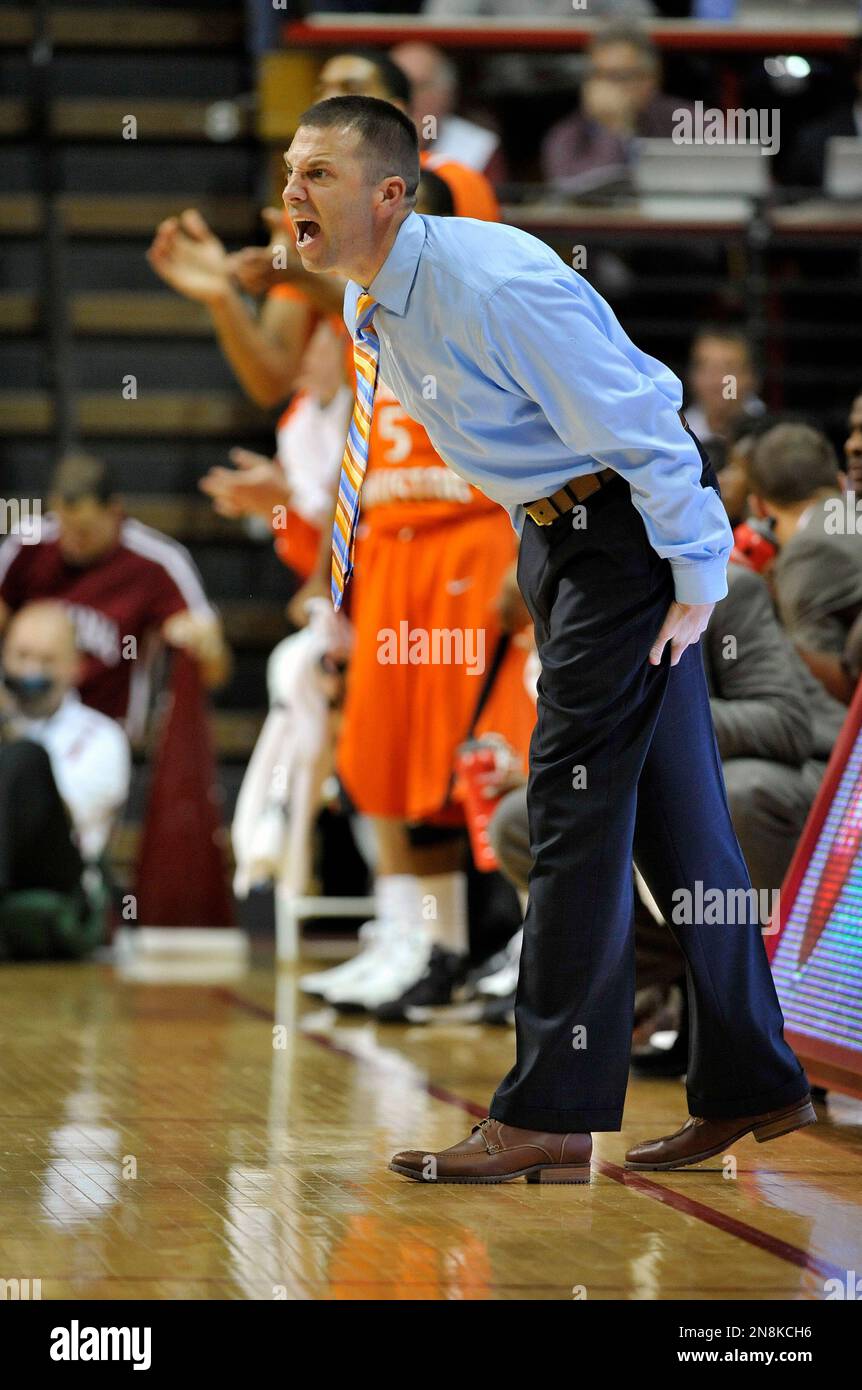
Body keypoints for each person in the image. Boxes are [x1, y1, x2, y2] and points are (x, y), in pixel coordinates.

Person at [283, 93, 813, 1183]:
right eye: (289, 169)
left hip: (626, 532)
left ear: (390, 193)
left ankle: (551, 1107)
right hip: (562, 542)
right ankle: (754, 1078)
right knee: (680, 827)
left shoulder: (497, 282)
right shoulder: (366, 300)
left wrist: (695, 578)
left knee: (570, 811)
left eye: (317, 175)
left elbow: (649, 432)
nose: (291, 191)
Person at [0, 454, 229, 739]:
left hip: (109, 736)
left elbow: (214, 668)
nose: (73, 541)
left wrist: (202, 641)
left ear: (115, 511)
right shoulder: (29, 542)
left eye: (85, 531)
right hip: (21, 727)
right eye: (65, 528)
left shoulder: (157, 563)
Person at [0, 602, 130, 905]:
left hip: (61, 879)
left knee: (25, 758)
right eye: (21, 656)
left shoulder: (103, 736)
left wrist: (8, 738)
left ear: (76, 667)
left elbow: (70, 816)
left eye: (47, 660)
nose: (31, 670)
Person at [746, 422, 862, 704]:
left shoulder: (808, 549)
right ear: (839, 482)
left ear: (759, 507)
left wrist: (758, 632)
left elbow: (845, 689)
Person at [540, 24, 692, 193]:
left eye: (620, 77)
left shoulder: (687, 121)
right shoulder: (566, 136)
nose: (607, 88)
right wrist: (614, 130)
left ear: (651, 78)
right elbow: (581, 198)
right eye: (598, 76)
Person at [683, 327, 764, 475]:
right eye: (705, 368)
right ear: (691, 377)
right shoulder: (675, 440)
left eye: (729, 369)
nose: (716, 381)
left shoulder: (773, 438)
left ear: (752, 377)